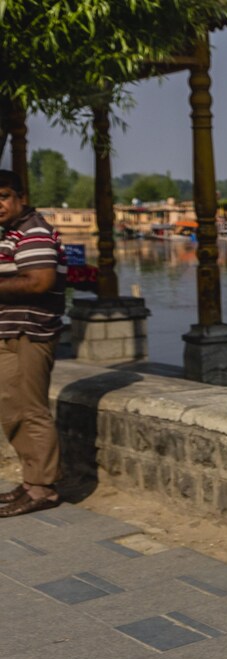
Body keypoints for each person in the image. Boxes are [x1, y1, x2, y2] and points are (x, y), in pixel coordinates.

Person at [0, 169, 67, 517]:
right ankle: (31, 482)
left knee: (32, 409)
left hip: (31, 332)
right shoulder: (11, 233)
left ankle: (44, 488)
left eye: (4, 196)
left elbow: (40, 282)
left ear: (21, 198)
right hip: (10, 332)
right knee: (12, 409)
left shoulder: (34, 231)